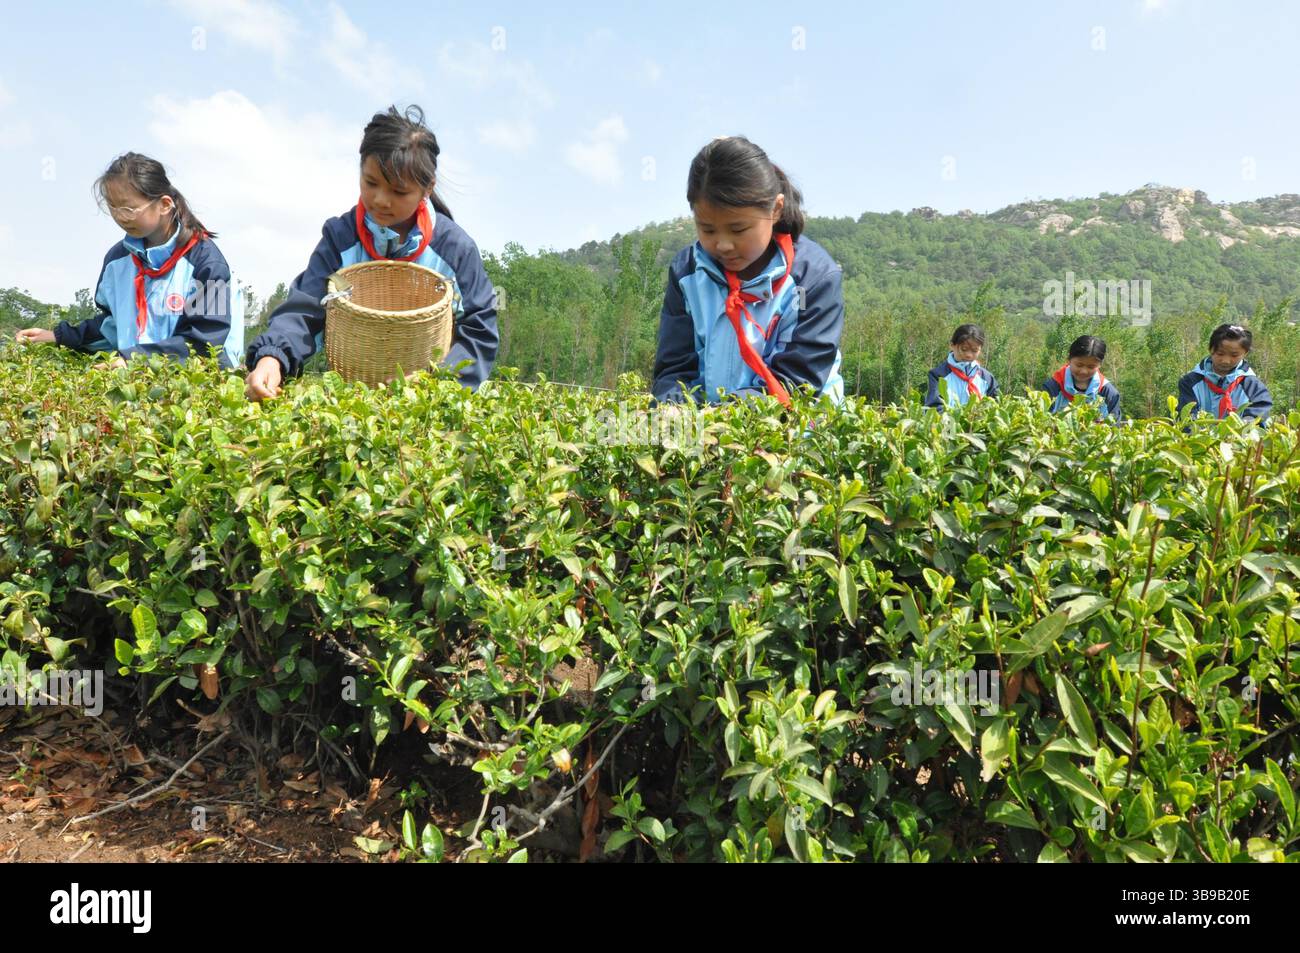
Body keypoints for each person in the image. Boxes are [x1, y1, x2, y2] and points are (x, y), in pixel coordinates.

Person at [245, 105, 498, 400]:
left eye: (399, 192)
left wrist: (440, 381)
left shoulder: (454, 250)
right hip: (350, 401)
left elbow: (480, 331)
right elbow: (304, 308)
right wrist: (272, 357)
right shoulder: (341, 238)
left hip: (427, 405)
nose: (380, 200)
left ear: (427, 188)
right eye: (371, 182)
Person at [651, 136, 845, 408]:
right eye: (707, 229)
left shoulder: (813, 280)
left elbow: (797, 382)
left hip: (796, 435)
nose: (723, 245)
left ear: (775, 209)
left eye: (738, 229)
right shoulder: (687, 274)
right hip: (712, 433)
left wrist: (720, 421)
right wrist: (673, 409)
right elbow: (675, 368)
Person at [14, 153, 242, 367]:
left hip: (196, 395)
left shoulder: (207, 263)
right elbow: (111, 326)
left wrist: (135, 360)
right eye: (112, 207)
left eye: (129, 209)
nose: (120, 217)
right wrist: (58, 337)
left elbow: (206, 342)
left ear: (164, 204)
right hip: (134, 393)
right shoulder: (117, 260)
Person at [1176, 323, 1272, 424]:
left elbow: (1261, 410)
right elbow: (1186, 417)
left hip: (1238, 438)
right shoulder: (1191, 382)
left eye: (1234, 355)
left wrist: (1243, 427)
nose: (1226, 360)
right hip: (1199, 438)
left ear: (1245, 353)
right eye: (1220, 354)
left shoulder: (1251, 385)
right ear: (1210, 349)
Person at [1041, 334, 1121, 420]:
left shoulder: (1109, 394)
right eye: (1079, 365)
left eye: (1091, 367)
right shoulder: (1052, 388)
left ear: (1100, 365)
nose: (1083, 371)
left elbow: (1113, 427)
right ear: (1069, 359)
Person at [924, 324, 999, 409]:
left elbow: (996, 406)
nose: (969, 355)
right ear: (952, 345)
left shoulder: (987, 378)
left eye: (974, 350)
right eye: (964, 349)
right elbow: (934, 408)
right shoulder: (938, 376)